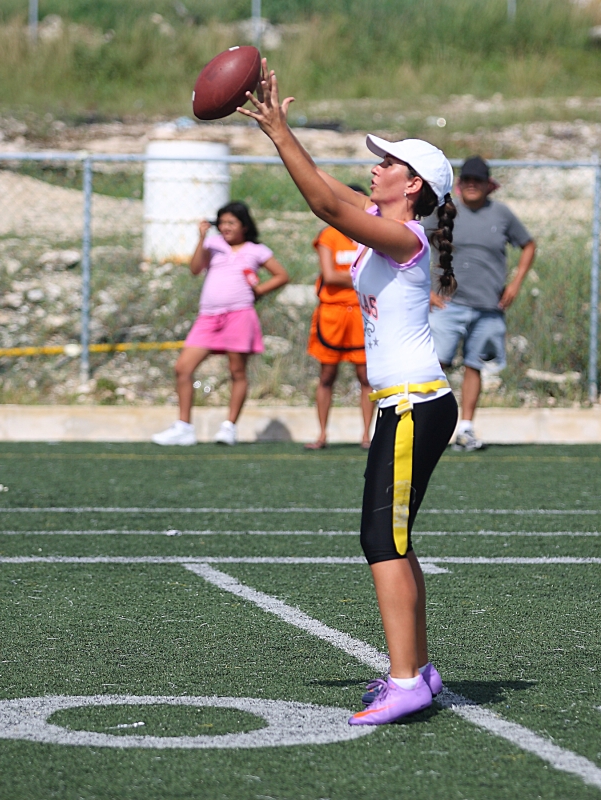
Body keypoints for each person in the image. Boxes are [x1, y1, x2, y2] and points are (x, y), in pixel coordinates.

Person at [238, 60, 458, 725]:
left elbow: (324, 202)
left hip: (414, 404)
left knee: (381, 540)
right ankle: (415, 669)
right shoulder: (381, 224)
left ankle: (404, 680)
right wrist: (285, 138)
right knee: (392, 537)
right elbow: (338, 198)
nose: (375, 167)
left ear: (412, 183)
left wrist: (279, 132)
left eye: (387, 163)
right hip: (406, 404)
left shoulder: (404, 238)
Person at [151, 201, 289, 446]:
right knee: (183, 367)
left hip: (239, 315)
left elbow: (281, 276)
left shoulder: (256, 250)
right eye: (222, 222)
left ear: (244, 226)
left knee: (236, 371)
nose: (225, 227)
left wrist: (258, 292)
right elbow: (195, 269)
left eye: (231, 223)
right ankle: (183, 427)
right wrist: (201, 238)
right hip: (208, 317)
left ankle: (229, 427)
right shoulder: (213, 245)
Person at [428, 156, 536, 451]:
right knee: (437, 365)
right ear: (459, 184)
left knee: (474, 365)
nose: (472, 185)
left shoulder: (501, 214)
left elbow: (528, 244)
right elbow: (414, 243)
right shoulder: (444, 212)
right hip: (448, 304)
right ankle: (429, 424)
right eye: (467, 180)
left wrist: (515, 283)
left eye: (478, 180)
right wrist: (427, 288)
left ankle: (466, 428)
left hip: (488, 306)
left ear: (489, 185)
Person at [305, 185, 374, 450]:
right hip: (332, 313)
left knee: (366, 377)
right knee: (326, 375)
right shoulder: (329, 235)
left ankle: (367, 435)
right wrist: (360, 277)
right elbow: (330, 276)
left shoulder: (369, 235)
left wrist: (353, 278)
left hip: (361, 312)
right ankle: (322, 434)